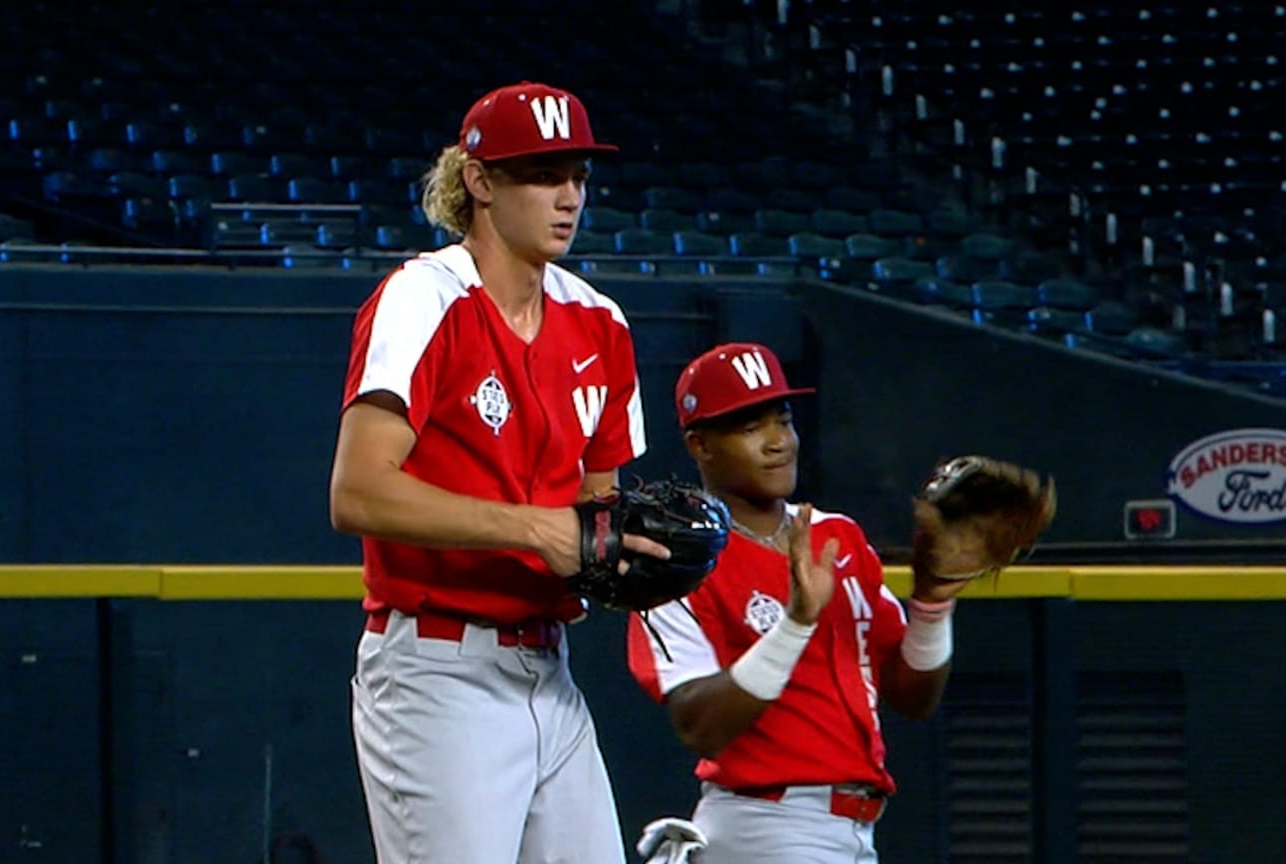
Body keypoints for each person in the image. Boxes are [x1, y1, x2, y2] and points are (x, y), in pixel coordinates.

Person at [329, 81, 665, 864]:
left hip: (549, 667)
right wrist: (532, 528)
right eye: (543, 174)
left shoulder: (600, 323)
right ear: (479, 182)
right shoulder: (424, 298)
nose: (569, 196)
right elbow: (357, 490)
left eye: (578, 175)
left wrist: (626, 557)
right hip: (438, 672)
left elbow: (598, 507)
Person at [627, 342, 973, 864]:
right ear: (700, 445)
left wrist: (932, 602)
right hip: (766, 824)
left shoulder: (839, 538)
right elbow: (700, 725)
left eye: (781, 420)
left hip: (856, 828)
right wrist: (796, 624)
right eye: (750, 427)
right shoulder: (675, 560)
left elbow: (911, 696)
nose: (777, 442)